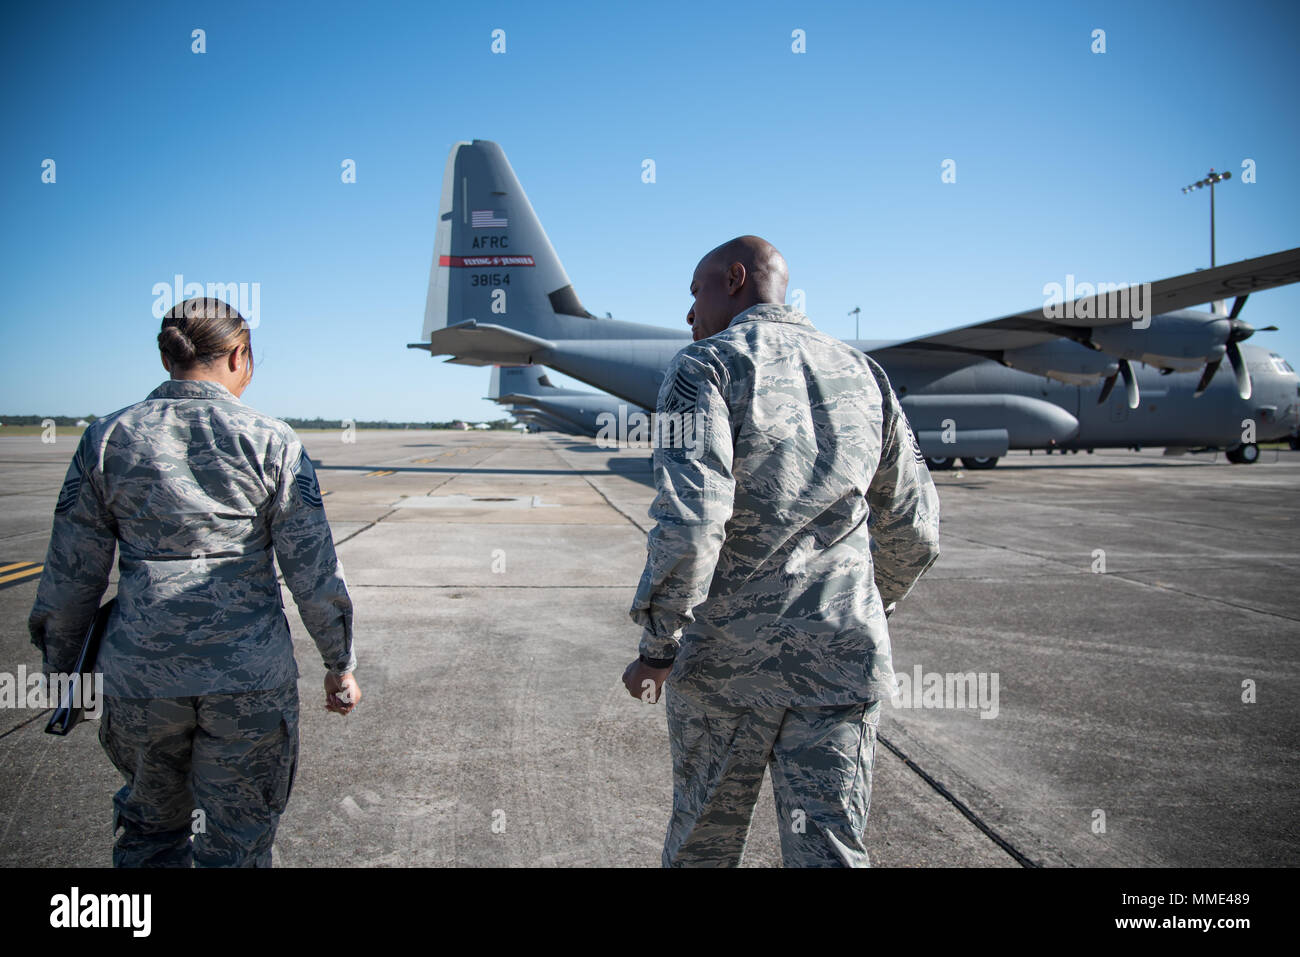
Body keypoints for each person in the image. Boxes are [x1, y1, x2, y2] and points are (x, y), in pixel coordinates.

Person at [621, 236, 941, 867]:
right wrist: (863, 608)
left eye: (695, 292)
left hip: (727, 668)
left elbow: (691, 522)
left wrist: (659, 647)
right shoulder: (866, 373)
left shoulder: (705, 366)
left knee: (702, 848)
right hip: (843, 660)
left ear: (735, 278)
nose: (689, 314)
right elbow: (914, 526)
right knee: (830, 849)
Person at [28, 297, 360, 868]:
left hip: (141, 676)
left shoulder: (107, 438)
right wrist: (339, 663)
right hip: (246, 678)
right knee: (238, 840)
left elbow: (71, 575)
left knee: (150, 834)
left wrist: (63, 673)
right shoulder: (271, 440)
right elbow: (313, 569)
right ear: (238, 355)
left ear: (167, 357)